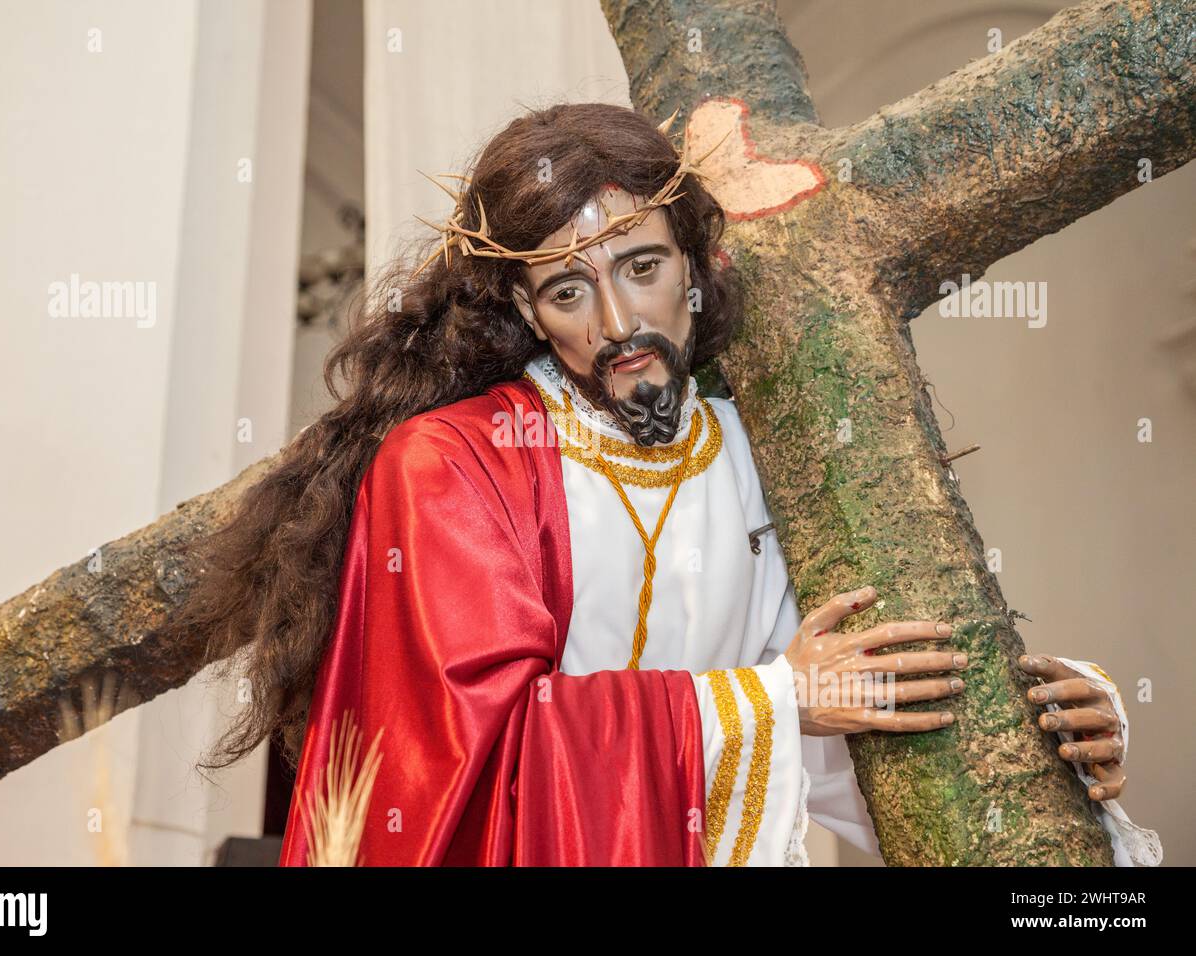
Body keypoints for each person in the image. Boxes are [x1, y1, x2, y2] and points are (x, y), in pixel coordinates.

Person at [176, 102, 1159, 866]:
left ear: (694, 265)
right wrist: (773, 702)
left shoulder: (752, 456)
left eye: (641, 265)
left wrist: (1037, 736)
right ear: (524, 308)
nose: (616, 322)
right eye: (568, 289)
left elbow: (833, 740)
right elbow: (481, 764)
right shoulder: (452, 463)